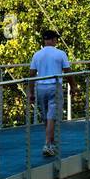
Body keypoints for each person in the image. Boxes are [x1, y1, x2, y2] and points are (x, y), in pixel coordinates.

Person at [28, 29, 71, 158]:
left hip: (40, 87)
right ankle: (47, 144)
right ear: (52, 40)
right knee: (52, 116)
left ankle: (51, 143)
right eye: (56, 39)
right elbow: (68, 71)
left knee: (46, 117)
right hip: (54, 86)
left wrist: (30, 92)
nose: (57, 41)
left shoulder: (37, 55)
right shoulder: (60, 54)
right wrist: (73, 86)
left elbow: (31, 74)